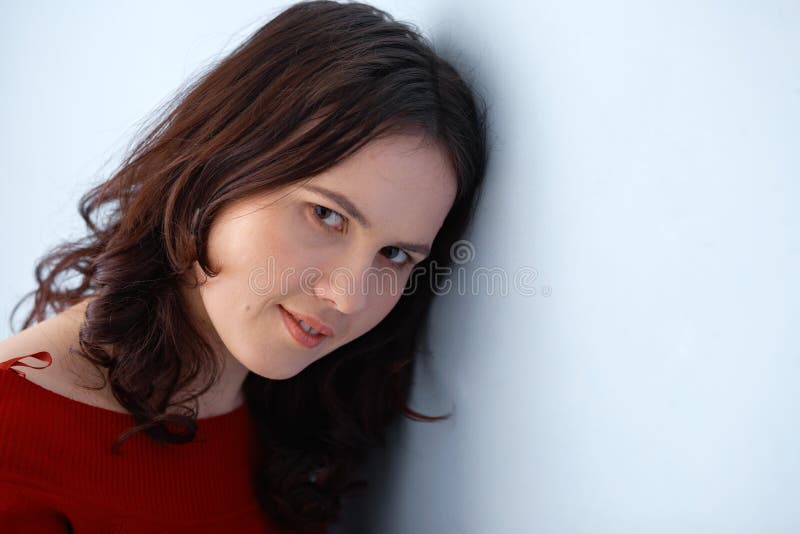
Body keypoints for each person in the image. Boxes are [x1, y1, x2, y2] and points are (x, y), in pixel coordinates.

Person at [0, 1, 488, 532]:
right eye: (326, 215)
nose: (349, 297)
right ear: (220, 168)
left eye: (395, 255)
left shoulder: (293, 425)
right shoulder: (15, 435)